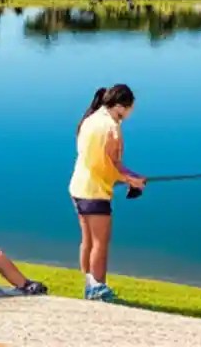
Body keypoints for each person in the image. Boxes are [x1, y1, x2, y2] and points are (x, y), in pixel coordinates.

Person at [69, 84, 145, 302]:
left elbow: (101, 162)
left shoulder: (91, 119)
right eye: (130, 109)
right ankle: (97, 289)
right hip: (95, 192)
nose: (130, 114)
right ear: (121, 107)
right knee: (100, 243)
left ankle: (89, 284)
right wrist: (130, 179)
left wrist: (130, 177)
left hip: (78, 187)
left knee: (88, 240)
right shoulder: (110, 127)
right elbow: (106, 165)